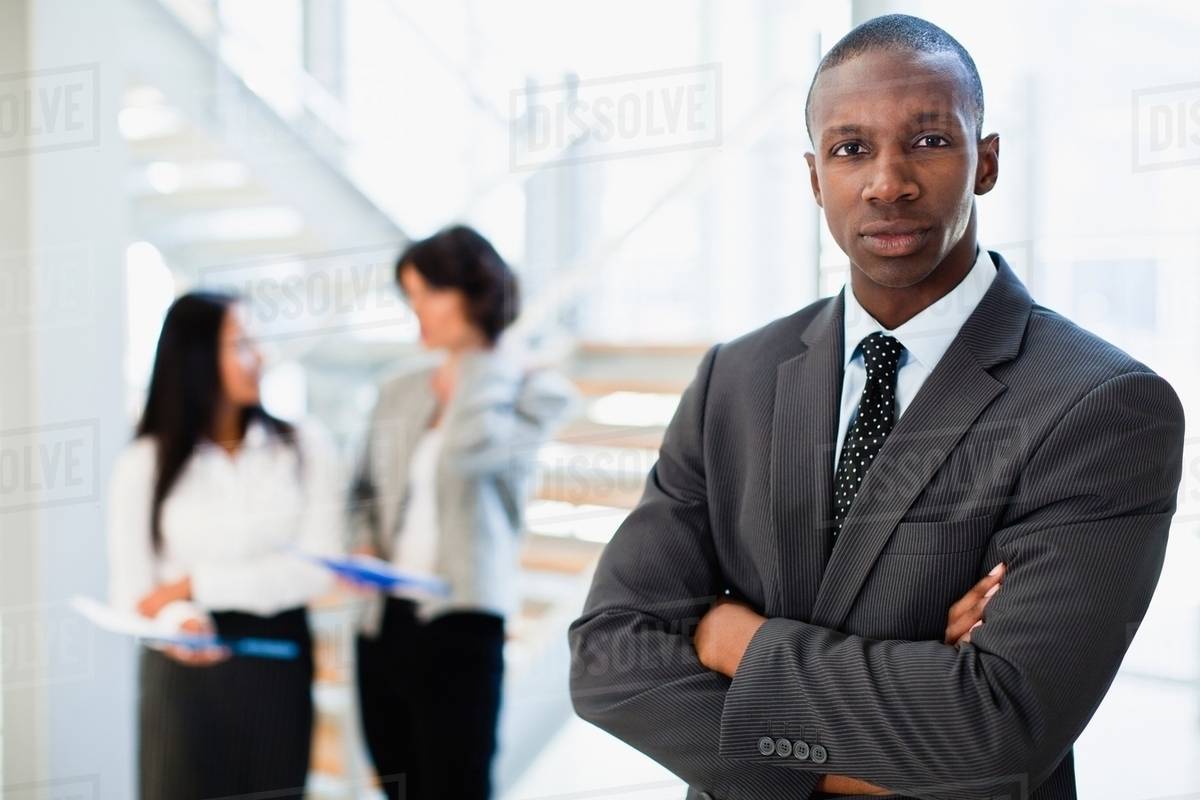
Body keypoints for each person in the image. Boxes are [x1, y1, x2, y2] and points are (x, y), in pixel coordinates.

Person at [568, 14, 1184, 800]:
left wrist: (732, 636)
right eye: (851, 149)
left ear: (985, 162)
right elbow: (609, 655)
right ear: (815, 176)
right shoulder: (738, 377)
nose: (887, 182)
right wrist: (862, 764)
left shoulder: (1100, 405)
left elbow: (999, 727)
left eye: (928, 141)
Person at [349, 225, 577, 799]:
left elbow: (470, 454)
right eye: (410, 296)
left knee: (456, 785)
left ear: (472, 292)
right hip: (384, 618)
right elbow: (361, 490)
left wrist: (486, 358)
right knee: (394, 782)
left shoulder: (533, 388)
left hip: (463, 621)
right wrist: (360, 545)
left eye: (428, 293)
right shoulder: (399, 389)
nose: (416, 310)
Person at [107, 291, 343, 800]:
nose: (258, 358)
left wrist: (195, 584)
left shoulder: (305, 447)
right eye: (241, 345)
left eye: (257, 343)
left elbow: (317, 569)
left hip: (276, 667)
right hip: (184, 676)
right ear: (193, 358)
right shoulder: (143, 464)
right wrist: (179, 620)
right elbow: (136, 595)